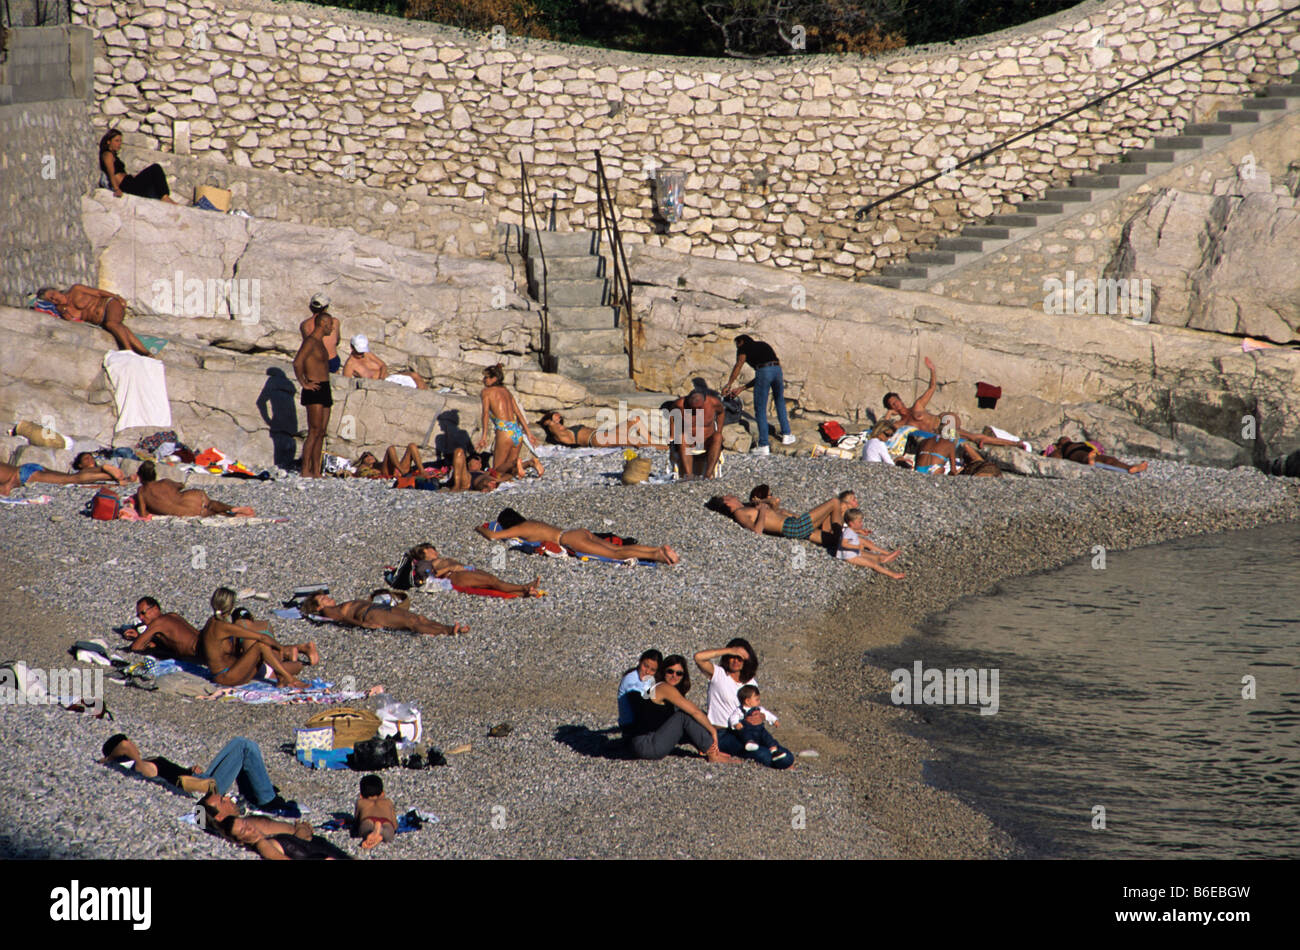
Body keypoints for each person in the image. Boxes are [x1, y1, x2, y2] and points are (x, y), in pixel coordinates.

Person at [100, 734, 300, 817]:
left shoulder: (144, 763)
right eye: (128, 743)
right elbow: (126, 747)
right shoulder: (140, 767)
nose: (132, 744)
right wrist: (109, 758)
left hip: (200, 780)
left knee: (242, 748)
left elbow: (173, 775)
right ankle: (267, 800)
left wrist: (189, 771)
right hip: (204, 790)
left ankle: (260, 797)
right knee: (244, 746)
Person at [882, 356, 1023, 449]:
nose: (896, 405)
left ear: (900, 400)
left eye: (896, 401)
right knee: (971, 437)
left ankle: (1012, 443)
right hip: (940, 433)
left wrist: (932, 370)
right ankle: (1015, 444)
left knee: (959, 433)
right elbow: (883, 431)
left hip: (944, 420)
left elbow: (931, 388)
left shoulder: (917, 405)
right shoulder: (900, 423)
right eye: (892, 405)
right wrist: (888, 414)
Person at [623, 658, 733, 763]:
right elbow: (695, 712)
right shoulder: (663, 687)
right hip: (646, 745)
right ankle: (713, 754)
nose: (674, 676)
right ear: (663, 671)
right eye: (670, 671)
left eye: (679, 673)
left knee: (693, 717)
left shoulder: (662, 690)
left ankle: (714, 749)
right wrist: (713, 731)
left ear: (683, 676)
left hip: (641, 744)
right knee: (684, 716)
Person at [475, 512, 680, 565]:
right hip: (578, 532)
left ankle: (658, 556)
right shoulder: (531, 522)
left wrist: (480, 528)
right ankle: (657, 549)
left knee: (616, 554)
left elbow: (493, 536)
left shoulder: (520, 528)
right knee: (612, 547)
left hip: (569, 540)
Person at [201, 587, 309, 689]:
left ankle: (281, 677)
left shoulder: (211, 622)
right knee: (261, 645)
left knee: (260, 650)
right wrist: (280, 647)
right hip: (226, 677)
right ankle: (289, 678)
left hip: (224, 674)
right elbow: (262, 637)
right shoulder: (224, 627)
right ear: (230, 606)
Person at [199, 792, 347, 860]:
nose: (227, 798)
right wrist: (303, 830)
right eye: (222, 801)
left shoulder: (243, 825)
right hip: (313, 848)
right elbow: (295, 844)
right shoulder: (257, 835)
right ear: (219, 816)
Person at [722, 334, 796, 455]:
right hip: (777, 370)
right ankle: (787, 435)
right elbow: (765, 372)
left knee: (760, 409)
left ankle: (763, 445)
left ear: (741, 342)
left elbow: (740, 365)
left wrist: (729, 385)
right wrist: (742, 388)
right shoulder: (763, 345)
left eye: (737, 344)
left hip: (764, 371)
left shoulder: (743, 347)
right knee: (779, 401)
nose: (736, 348)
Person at [37, 285, 153, 356]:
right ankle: (146, 353)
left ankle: (128, 350)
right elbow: (73, 321)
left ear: (56, 290)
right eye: (51, 299)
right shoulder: (63, 311)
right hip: (102, 320)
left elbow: (98, 293)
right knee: (119, 327)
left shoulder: (76, 289)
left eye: (53, 294)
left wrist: (117, 297)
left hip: (109, 304)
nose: (54, 298)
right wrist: (63, 309)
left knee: (112, 324)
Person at [694, 638, 759, 756]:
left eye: (740, 658)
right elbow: (698, 657)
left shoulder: (751, 682)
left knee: (779, 752)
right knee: (758, 753)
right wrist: (730, 650)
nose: (735, 661)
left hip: (743, 731)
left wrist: (760, 716)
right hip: (720, 732)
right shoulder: (718, 674)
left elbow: (754, 708)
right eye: (732, 656)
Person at [708, 490, 849, 544]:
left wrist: (762, 503)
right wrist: (762, 511)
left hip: (794, 526)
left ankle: (842, 540)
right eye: (729, 495)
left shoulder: (746, 508)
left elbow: (775, 505)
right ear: (727, 502)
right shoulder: (739, 513)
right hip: (793, 527)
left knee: (831, 540)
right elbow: (756, 531)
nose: (733, 494)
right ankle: (840, 537)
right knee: (835, 502)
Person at [300, 592, 468, 637]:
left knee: (417, 618)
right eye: (323, 598)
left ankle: (447, 627)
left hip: (374, 608)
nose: (328, 598)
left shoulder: (335, 606)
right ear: (318, 607)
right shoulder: (327, 611)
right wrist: (363, 625)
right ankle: (447, 631)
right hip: (370, 614)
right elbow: (344, 619)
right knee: (410, 623)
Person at [406, 542, 541, 597]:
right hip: (454, 575)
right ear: (425, 551)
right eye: (431, 549)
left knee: (493, 582)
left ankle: (524, 593)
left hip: (463, 570)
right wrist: (450, 567)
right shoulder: (425, 563)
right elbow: (429, 576)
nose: (434, 550)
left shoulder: (432, 560)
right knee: (491, 581)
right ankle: (524, 587)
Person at [477, 363, 537, 480]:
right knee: (507, 470)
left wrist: (483, 437)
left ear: (494, 379)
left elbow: (485, 414)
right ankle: (528, 464)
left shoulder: (486, 392)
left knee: (496, 469)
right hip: (517, 431)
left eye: (486, 377)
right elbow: (518, 413)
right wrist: (528, 433)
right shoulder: (506, 391)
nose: (483, 380)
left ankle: (529, 463)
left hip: (504, 431)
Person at [134, 460, 255, 517]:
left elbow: (143, 514)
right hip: (192, 497)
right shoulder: (165, 482)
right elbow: (181, 485)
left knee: (208, 512)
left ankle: (232, 515)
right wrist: (177, 485)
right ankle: (232, 509)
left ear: (141, 477)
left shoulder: (142, 491)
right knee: (211, 503)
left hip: (185, 512)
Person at [294, 311, 334, 478]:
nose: (332, 327)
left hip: (325, 387)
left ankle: (317, 470)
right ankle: (305, 469)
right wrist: (304, 382)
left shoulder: (321, 343)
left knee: (322, 431)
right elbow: (297, 362)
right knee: (314, 430)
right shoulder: (310, 341)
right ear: (323, 324)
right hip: (314, 387)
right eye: (331, 324)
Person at [98, 128, 176, 203]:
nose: (119, 144)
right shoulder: (107, 154)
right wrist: (116, 189)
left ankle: (164, 196)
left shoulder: (113, 155)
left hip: (129, 182)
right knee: (155, 168)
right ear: (108, 142)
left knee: (154, 173)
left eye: (120, 141)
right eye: (116, 141)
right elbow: (111, 173)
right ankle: (164, 197)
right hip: (127, 186)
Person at [729, 685, 794, 769]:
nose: (759, 702)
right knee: (744, 733)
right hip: (749, 730)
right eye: (757, 699)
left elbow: (767, 714)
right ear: (748, 701)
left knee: (768, 738)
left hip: (760, 730)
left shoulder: (759, 709)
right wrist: (735, 724)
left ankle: (774, 751)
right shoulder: (740, 710)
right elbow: (733, 717)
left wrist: (774, 720)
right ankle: (750, 742)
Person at [669, 389, 725, 479]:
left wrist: (719, 430)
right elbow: (671, 414)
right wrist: (672, 434)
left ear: (704, 401)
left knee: (718, 437)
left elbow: (721, 413)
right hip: (689, 440)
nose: (696, 410)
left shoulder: (713, 403)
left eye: (699, 408)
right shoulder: (680, 404)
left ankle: (708, 474)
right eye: (693, 408)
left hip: (707, 440)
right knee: (682, 437)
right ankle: (689, 475)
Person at [0, 457, 130, 496]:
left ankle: (105, 472)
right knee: (71, 479)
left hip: (24, 474)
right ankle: (108, 476)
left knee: (72, 479)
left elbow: (6, 488)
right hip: (29, 467)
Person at [538, 410, 665, 449]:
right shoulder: (558, 434)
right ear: (548, 423)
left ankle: (652, 445)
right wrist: (551, 420)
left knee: (635, 420)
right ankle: (667, 448)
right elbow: (549, 424)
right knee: (634, 441)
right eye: (554, 417)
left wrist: (555, 420)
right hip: (596, 439)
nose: (558, 418)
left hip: (604, 434)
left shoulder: (561, 427)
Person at [837, 508, 905, 579]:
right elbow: (843, 544)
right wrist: (857, 547)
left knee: (864, 542)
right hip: (849, 557)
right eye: (859, 522)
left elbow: (852, 533)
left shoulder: (851, 529)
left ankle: (885, 555)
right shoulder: (848, 532)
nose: (862, 523)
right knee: (873, 564)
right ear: (851, 523)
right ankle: (893, 574)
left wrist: (860, 531)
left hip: (853, 553)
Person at [342, 334, 428, 389]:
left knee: (414, 375)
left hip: (387, 378)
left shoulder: (367, 354)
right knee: (415, 383)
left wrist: (382, 378)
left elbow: (383, 365)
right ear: (352, 347)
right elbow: (348, 385)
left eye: (362, 351)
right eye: (359, 352)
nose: (361, 354)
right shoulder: (350, 365)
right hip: (379, 387)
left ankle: (428, 397)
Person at [126, 596, 201, 657]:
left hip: (200, 652)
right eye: (138, 615)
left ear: (155, 609)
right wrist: (139, 636)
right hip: (202, 643)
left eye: (143, 613)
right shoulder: (173, 615)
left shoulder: (159, 622)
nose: (141, 618)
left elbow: (136, 647)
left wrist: (139, 639)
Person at [1049, 437, 1149, 474]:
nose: (1066, 439)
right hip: (1074, 453)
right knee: (1083, 457)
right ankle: (1089, 459)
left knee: (1110, 459)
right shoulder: (1061, 449)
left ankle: (1131, 467)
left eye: (1066, 438)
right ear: (1059, 444)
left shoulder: (1079, 443)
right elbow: (1054, 459)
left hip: (1090, 452)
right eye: (1063, 439)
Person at [617, 650, 662, 730]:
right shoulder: (631, 680)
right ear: (640, 662)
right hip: (630, 726)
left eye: (652, 670)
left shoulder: (650, 679)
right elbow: (639, 707)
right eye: (645, 666)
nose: (647, 671)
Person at [300, 294, 341, 374]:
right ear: (326, 308)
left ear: (311, 308)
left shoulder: (305, 325)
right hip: (332, 360)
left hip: (315, 361)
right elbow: (337, 340)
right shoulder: (334, 322)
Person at [355, 774, 399, 849]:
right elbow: (395, 825)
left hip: (368, 820)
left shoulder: (361, 802)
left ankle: (370, 833)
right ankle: (380, 834)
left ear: (361, 795)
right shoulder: (388, 802)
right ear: (383, 793)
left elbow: (356, 823)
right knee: (388, 833)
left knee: (365, 830)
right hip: (386, 821)